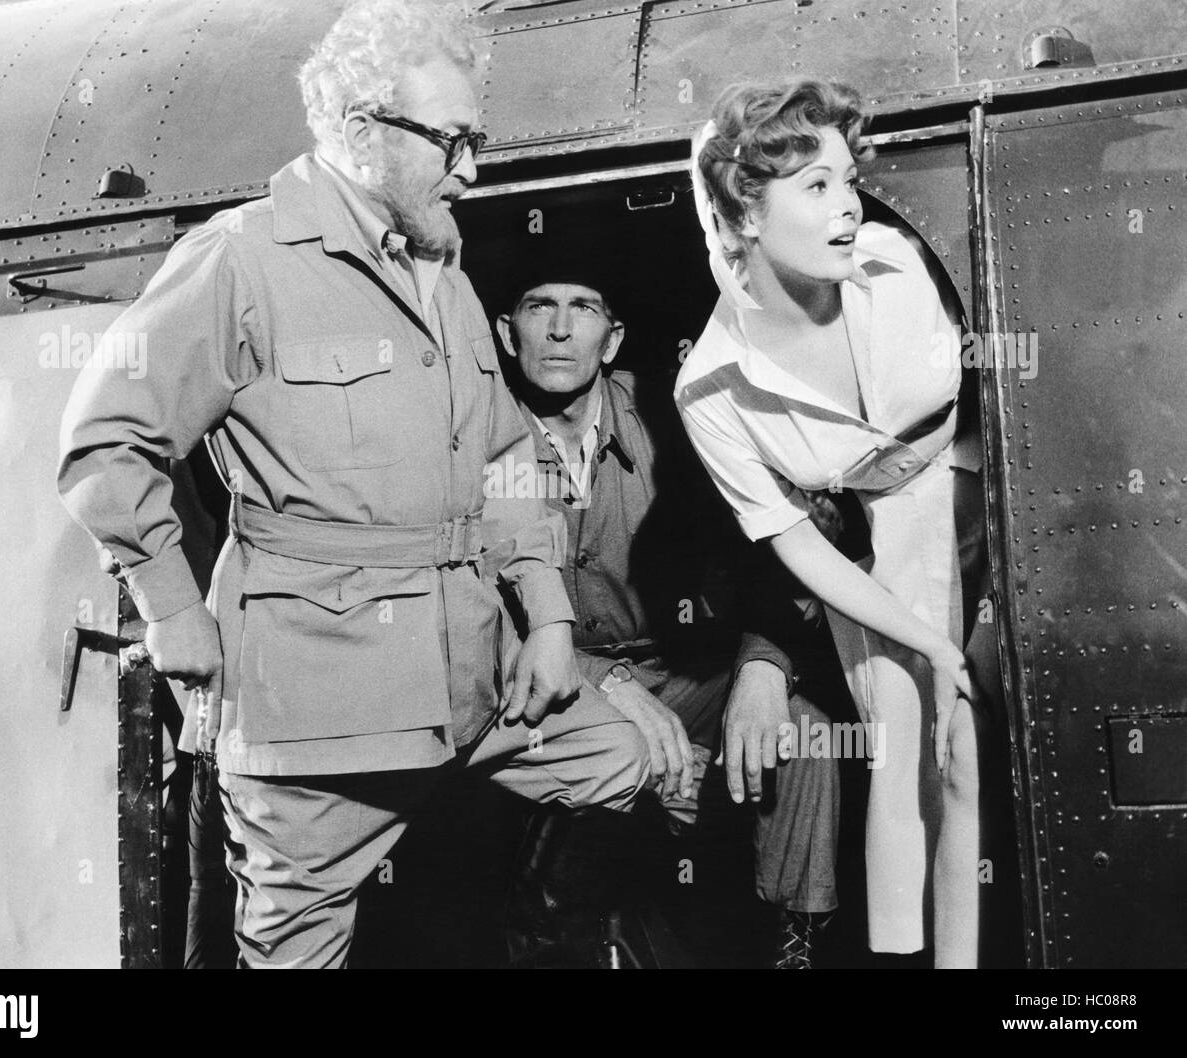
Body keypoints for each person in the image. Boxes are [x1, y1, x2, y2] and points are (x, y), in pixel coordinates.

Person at [58, 0, 650, 969]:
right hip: (319, 710)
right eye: (454, 141)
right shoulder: (240, 261)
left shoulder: (442, 273)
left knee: (621, 758)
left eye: (476, 139)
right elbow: (102, 445)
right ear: (365, 131)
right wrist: (173, 614)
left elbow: (505, 457)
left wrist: (546, 615)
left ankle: (512, 920)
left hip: (469, 686)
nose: (473, 169)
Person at [675, 80, 985, 967]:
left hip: (990, 508)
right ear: (743, 212)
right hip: (877, 558)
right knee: (908, 755)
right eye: (816, 187)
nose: (850, 206)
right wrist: (928, 640)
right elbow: (798, 543)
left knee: (971, 752)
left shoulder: (894, 259)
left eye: (848, 179)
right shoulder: (709, 387)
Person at [494, 253, 848, 966]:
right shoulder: (476, 430)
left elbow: (794, 539)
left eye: (583, 308)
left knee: (804, 733)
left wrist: (764, 667)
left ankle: (795, 943)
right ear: (508, 333)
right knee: (605, 774)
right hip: (542, 681)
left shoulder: (676, 417)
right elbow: (471, 609)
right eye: (540, 307)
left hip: (682, 668)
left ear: (613, 338)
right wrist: (610, 687)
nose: (560, 331)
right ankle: (584, 934)